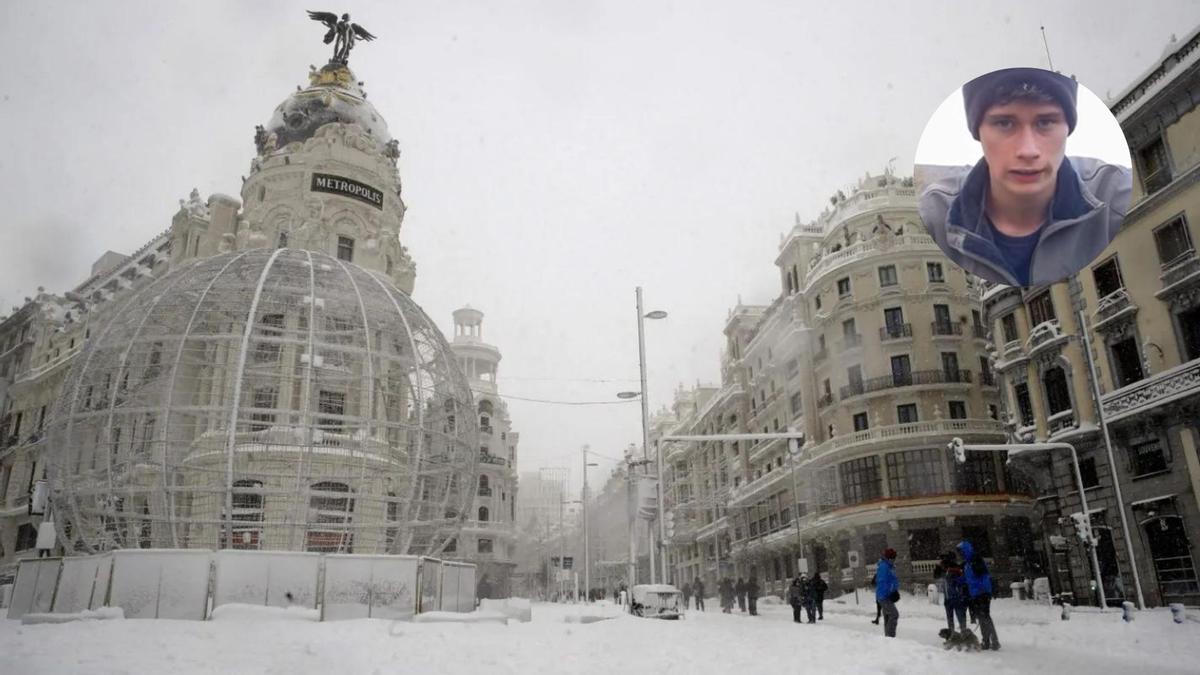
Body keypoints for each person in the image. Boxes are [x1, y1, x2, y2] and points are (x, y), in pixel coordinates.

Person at [918, 67, 1131, 287]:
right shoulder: (935, 216)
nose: (1028, 150)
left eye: (1045, 122)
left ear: (1068, 127)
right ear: (977, 131)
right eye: (1004, 123)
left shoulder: (1114, 194)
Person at [958, 539, 1000, 650]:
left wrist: (983, 591)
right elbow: (968, 579)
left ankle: (994, 642)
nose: (960, 555)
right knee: (982, 618)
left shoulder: (976, 560)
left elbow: (983, 576)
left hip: (982, 593)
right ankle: (986, 641)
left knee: (985, 617)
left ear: (966, 551)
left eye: (961, 552)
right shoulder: (967, 564)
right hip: (975, 594)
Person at [934, 551, 971, 644]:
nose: (942, 561)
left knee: (958, 619)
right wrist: (938, 567)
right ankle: (953, 637)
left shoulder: (955, 569)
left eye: (943, 559)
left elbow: (961, 581)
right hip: (949, 598)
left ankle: (963, 637)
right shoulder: (945, 570)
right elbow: (936, 576)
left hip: (956, 598)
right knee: (954, 619)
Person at [875, 547, 900, 637]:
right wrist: (891, 592)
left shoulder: (888, 566)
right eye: (894, 558)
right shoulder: (884, 567)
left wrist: (894, 590)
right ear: (890, 558)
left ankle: (888, 639)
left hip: (885, 596)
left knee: (888, 616)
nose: (895, 560)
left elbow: (892, 580)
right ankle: (890, 637)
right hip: (884, 596)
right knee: (894, 615)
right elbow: (882, 583)